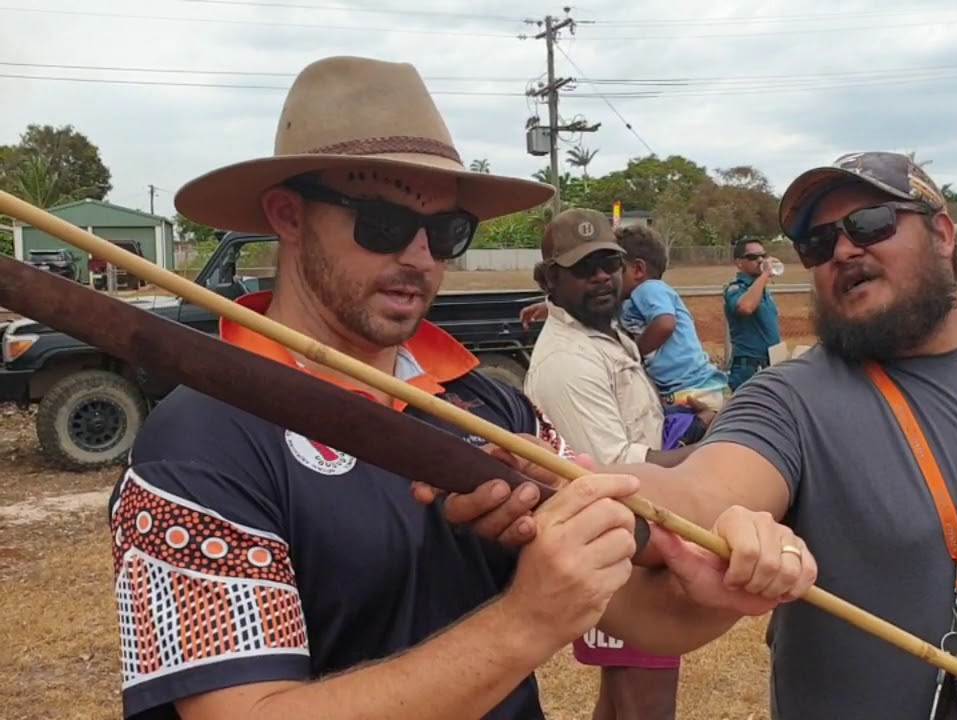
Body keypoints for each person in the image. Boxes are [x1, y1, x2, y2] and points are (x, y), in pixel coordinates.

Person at [105, 55, 817, 720]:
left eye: (445, 231)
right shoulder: (199, 443)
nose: (419, 257)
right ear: (288, 216)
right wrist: (526, 622)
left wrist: (728, 591)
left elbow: (644, 613)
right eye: (384, 223)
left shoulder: (488, 407)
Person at [459, 150, 957, 719]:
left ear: (943, 234)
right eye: (818, 244)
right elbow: (696, 491)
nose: (843, 250)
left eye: (867, 223)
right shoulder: (790, 399)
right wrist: (561, 476)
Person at [524, 209, 707, 720]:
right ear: (551, 281)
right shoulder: (568, 362)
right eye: (585, 269)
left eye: (609, 263)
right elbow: (616, 473)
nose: (602, 276)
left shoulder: (607, 335)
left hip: (638, 540)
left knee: (624, 703)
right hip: (620, 547)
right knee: (646, 706)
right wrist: (719, 446)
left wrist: (684, 421)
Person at [615, 223, 729, 414]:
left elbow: (665, 324)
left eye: (616, 268)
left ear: (637, 269)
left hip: (695, 389)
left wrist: (634, 354)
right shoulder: (630, 300)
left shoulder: (649, 288)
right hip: (683, 390)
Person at [723, 237, 782, 390]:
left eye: (763, 255)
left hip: (770, 364)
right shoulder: (736, 289)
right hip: (749, 368)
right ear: (739, 263)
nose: (760, 260)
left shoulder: (762, 290)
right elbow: (746, 307)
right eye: (753, 257)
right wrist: (764, 275)